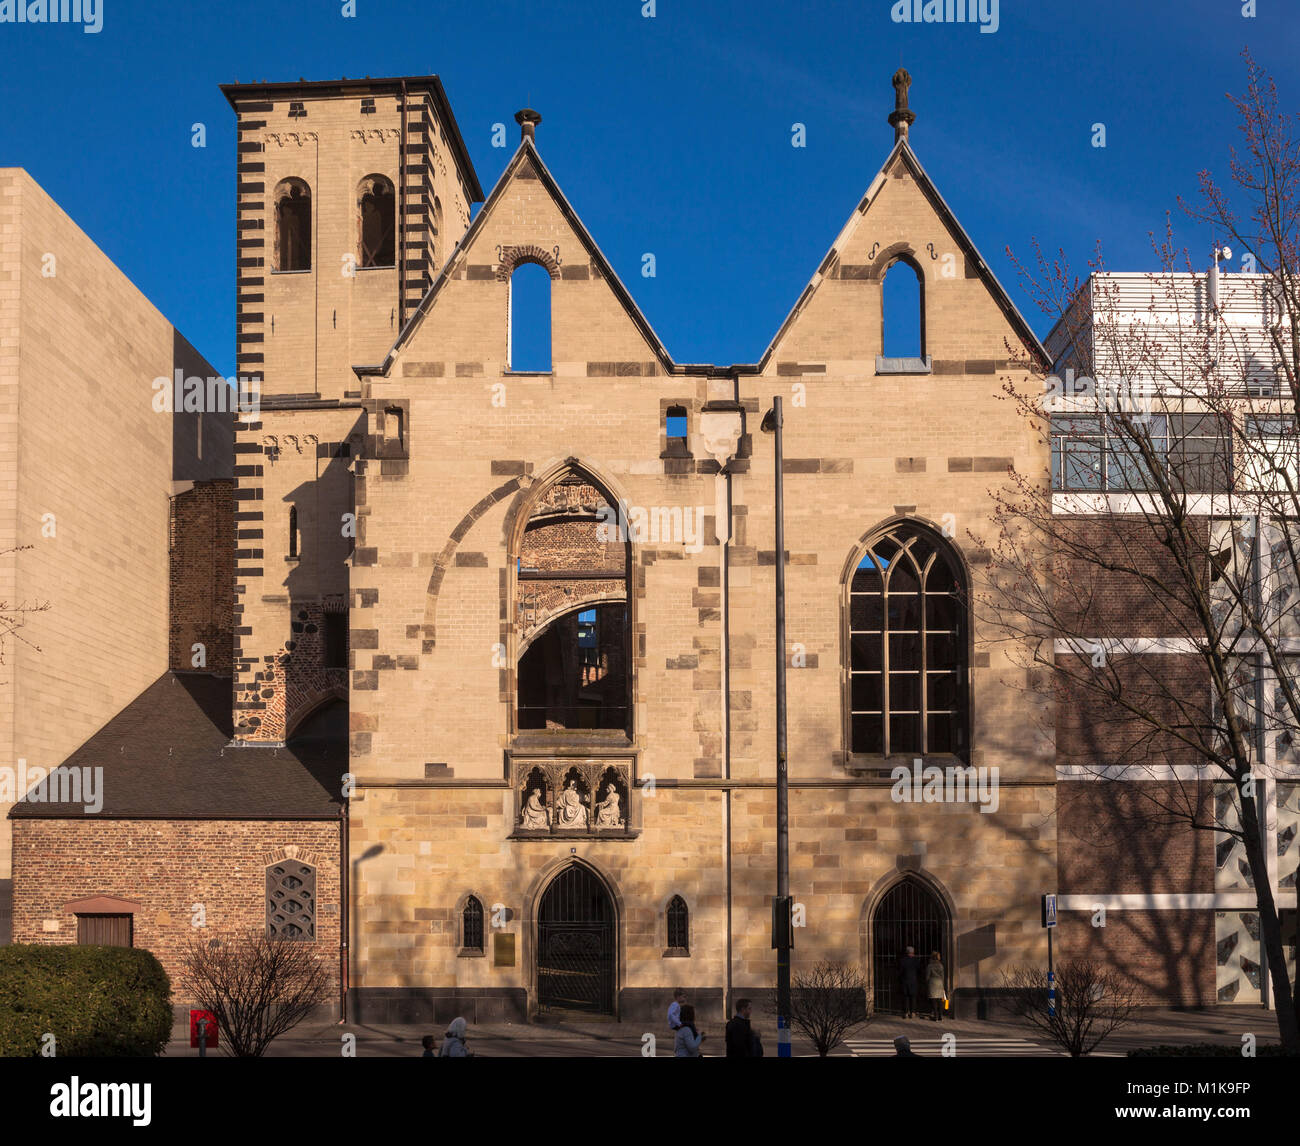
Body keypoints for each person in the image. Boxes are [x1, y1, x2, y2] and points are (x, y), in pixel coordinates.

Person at [898, 945, 923, 1018]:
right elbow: (919, 970)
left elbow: (900, 971)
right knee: (913, 997)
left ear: (907, 952)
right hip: (914, 980)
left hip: (905, 980)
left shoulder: (902, 960)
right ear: (913, 952)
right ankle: (913, 1012)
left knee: (906, 997)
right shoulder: (916, 960)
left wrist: (900, 978)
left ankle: (906, 1012)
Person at [925, 951, 946, 1021]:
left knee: (933, 1000)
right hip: (939, 983)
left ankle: (935, 1016)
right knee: (940, 1000)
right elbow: (943, 976)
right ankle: (940, 1016)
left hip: (932, 983)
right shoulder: (941, 965)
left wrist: (927, 982)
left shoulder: (930, 966)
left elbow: (927, 976)